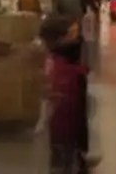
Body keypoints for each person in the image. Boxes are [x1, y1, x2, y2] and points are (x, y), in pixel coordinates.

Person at [40, 15, 94, 173]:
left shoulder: (68, 65)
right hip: (62, 132)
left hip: (71, 132)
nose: (77, 39)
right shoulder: (60, 67)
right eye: (72, 34)